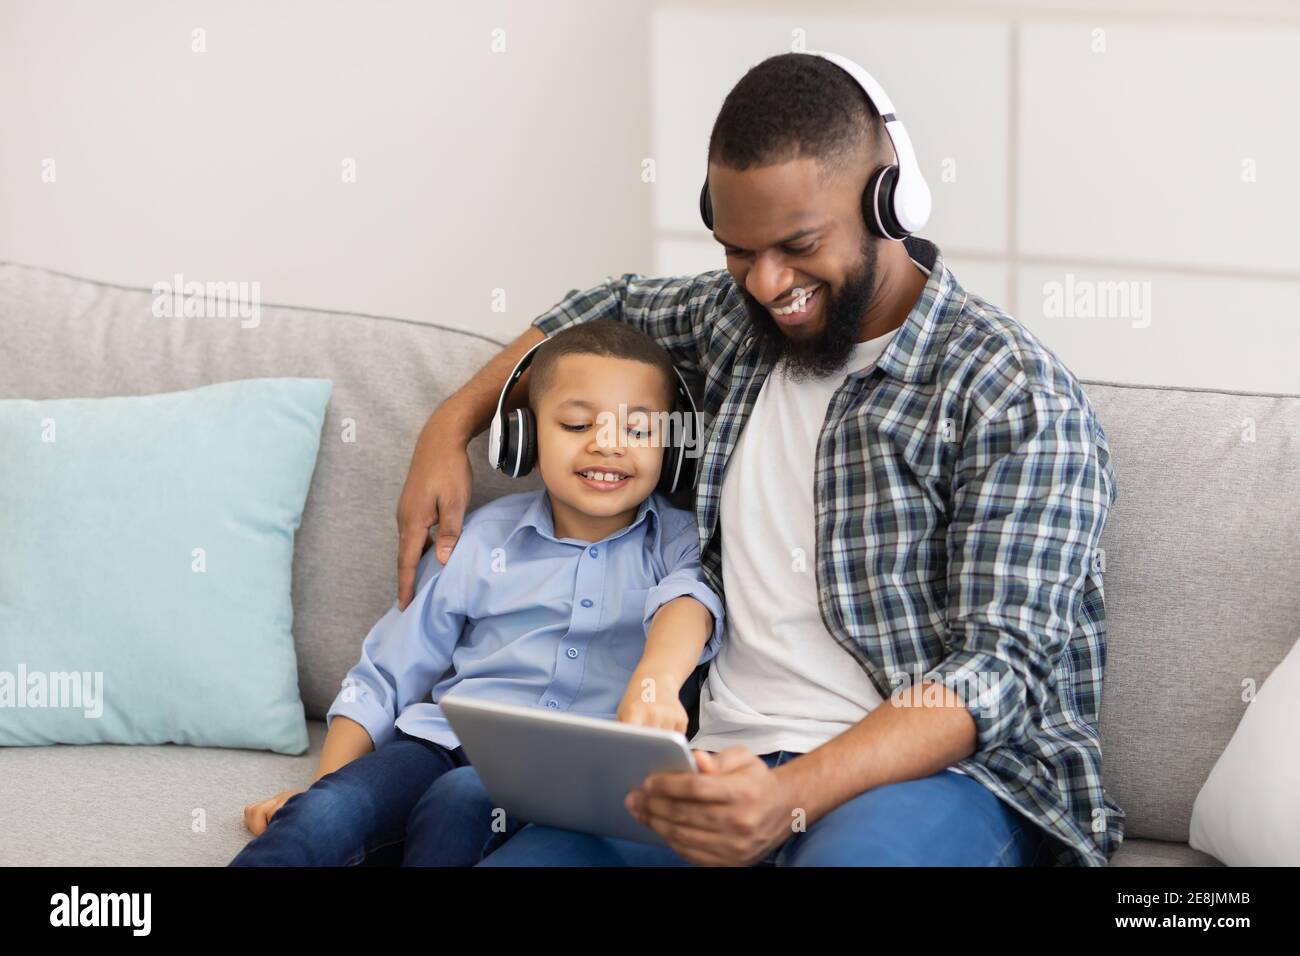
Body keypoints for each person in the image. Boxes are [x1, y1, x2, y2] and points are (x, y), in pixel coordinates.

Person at [391, 52, 1125, 867]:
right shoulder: (736, 325)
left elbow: (1000, 669)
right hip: (719, 757)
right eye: (738, 248)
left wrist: (789, 798)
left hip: (942, 780)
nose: (769, 283)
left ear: (889, 200)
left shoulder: (1011, 393)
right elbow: (601, 310)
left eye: (798, 244)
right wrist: (448, 425)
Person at [229, 319, 724, 866]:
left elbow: (691, 603)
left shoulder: (682, 544)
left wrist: (657, 683)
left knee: (460, 800)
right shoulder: (479, 538)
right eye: (578, 424)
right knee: (323, 816)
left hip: (585, 779)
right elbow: (384, 676)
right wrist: (319, 789)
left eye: (638, 430)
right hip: (443, 747)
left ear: (673, 449)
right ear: (526, 439)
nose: (608, 445)